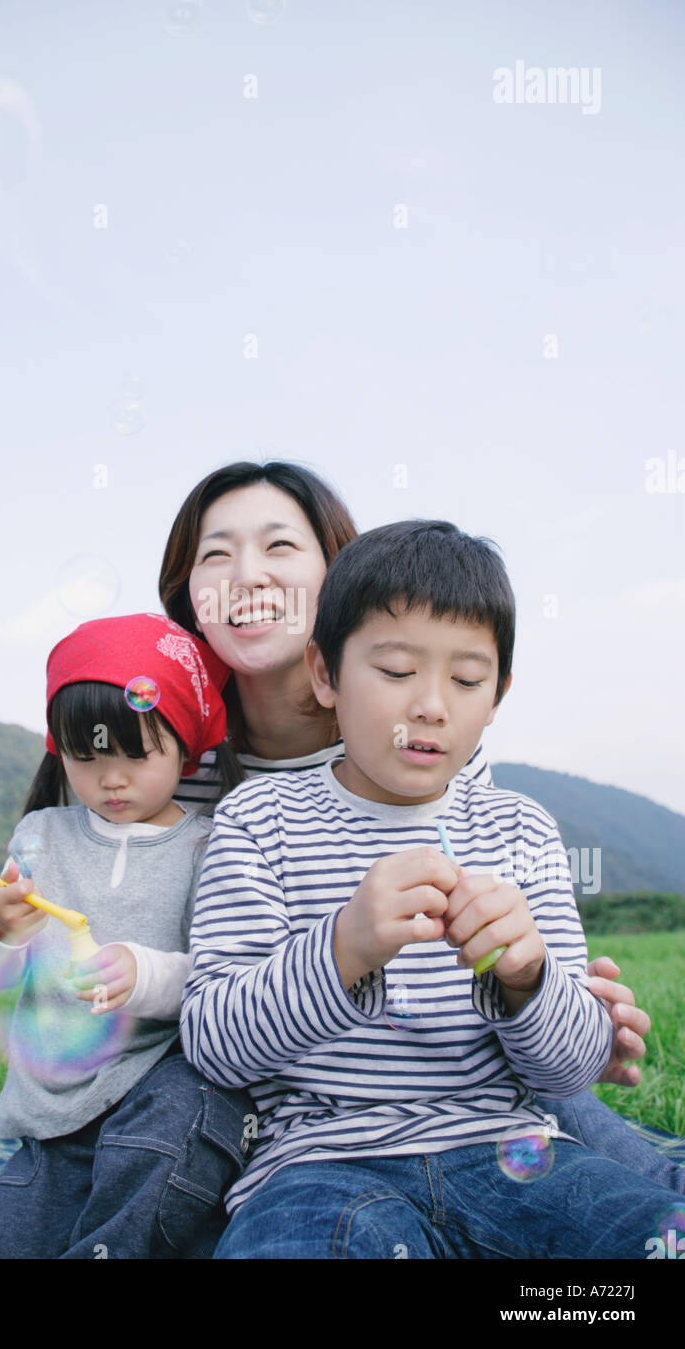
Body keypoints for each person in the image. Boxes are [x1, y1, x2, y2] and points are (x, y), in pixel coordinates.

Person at [0, 459, 682, 1259]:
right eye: (215, 554)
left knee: (619, 1183)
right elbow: (131, 1029)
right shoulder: (162, 764)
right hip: (291, 1126)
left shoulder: (466, 784)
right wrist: (19, 1221)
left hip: (485, 1117)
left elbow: (542, 1051)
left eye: (280, 546)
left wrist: (549, 994)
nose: (246, 573)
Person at [180, 518, 683, 1257]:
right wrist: (342, 948)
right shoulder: (259, 822)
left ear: (497, 694)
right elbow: (215, 1044)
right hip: (320, 1168)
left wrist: (528, 976)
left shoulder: (520, 831)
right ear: (325, 674)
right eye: (395, 672)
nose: (432, 706)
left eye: (467, 679)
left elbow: (572, 1068)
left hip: (513, 1155)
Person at [0, 612, 251, 1259]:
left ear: (187, 744)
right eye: (87, 757)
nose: (111, 780)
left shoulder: (207, 847)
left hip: (156, 1090)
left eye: (136, 754)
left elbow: (217, 974)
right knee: (2, 1233)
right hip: (53, 1114)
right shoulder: (42, 840)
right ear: (60, 750)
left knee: (155, 1155)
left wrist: (143, 974)